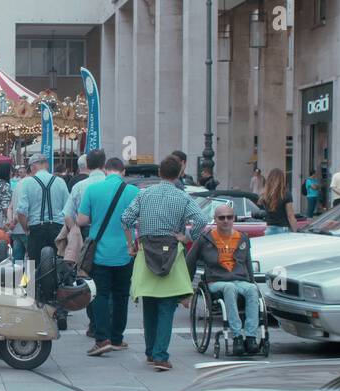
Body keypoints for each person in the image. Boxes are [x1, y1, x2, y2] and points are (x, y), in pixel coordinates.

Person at [121, 155, 209, 372]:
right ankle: (161, 355)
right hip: (171, 253)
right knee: (166, 306)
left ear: (160, 173)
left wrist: (131, 244)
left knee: (149, 305)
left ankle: (151, 352)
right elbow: (201, 220)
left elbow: (125, 219)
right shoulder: (182, 197)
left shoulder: (145, 194)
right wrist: (186, 237)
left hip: (146, 252)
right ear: (179, 174)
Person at [79, 157, 139, 356]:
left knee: (100, 295)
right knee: (121, 296)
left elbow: (82, 219)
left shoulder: (93, 189)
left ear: (106, 170)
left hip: (100, 253)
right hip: (125, 252)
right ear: (123, 172)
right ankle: (117, 338)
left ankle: (101, 338)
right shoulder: (133, 192)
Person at [185, 203, 260, 356]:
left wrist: (251, 281)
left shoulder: (242, 238)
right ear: (215, 219)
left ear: (234, 219)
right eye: (221, 218)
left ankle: (251, 337)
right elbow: (190, 261)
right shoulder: (205, 238)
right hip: (216, 281)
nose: (226, 220)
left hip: (240, 280)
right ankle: (237, 336)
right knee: (229, 288)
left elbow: (247, 263)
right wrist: (186, 289)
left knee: (252, 289)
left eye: (229, 217)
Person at [60, 149, 108, 337]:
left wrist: (75, 231)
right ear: (104, 164)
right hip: (111, 238)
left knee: (89, 280)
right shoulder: (111, 184)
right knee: (109, 283)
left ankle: (94, 324)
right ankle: (106, 325)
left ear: (87, 164)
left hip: (87, 235)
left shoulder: (81, 186)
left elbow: (68, 214)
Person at [15, 153, 70, 260]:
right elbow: (68, 208)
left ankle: (33, 276)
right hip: (57, 228)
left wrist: (26, 228)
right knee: (57, 263)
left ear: (33, 167)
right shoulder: (60, 181)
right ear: (47, 165)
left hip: (36, 228)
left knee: (33, 265)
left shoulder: (27, 183)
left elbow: (21, 211)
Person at [257, 168, 298, 235]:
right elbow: (290, 215)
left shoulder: (265, 195)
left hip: (269, 229)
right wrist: (295, 231)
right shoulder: (286, 194)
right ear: (282, 180)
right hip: (283, 229)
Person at [6, 165, 31, 262]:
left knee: (17, 260)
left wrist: (10, 221)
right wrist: (15, 221)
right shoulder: (30, 185)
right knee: (30, 260)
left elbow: (10, 207)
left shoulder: (17, 185)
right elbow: (22, 209)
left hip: (15, 230)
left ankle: (17, 277)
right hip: (26, 228)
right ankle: (27, 277)